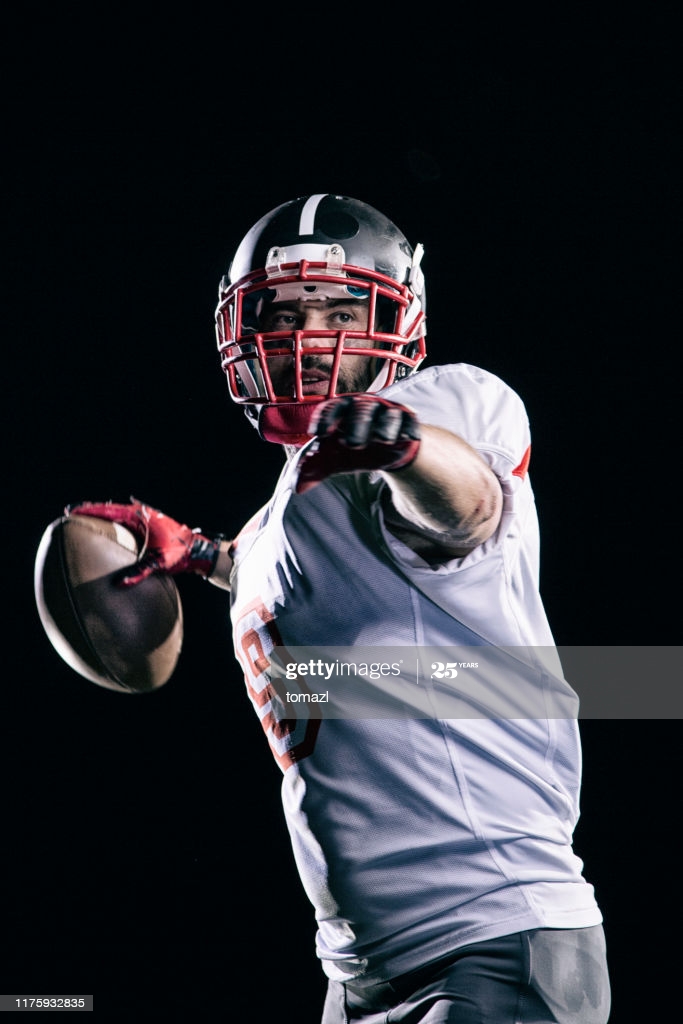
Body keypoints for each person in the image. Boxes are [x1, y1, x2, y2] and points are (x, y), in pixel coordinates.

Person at [70, 194, 611, 1023]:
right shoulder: (284, 509)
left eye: (337, 308)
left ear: (395, 317)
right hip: (359, 967)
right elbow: (305, 580)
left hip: (491, 937)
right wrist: (202, 556)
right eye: (282, 312)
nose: (308, 335)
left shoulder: (447, 406)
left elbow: (464, 512)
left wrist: (404, 445)